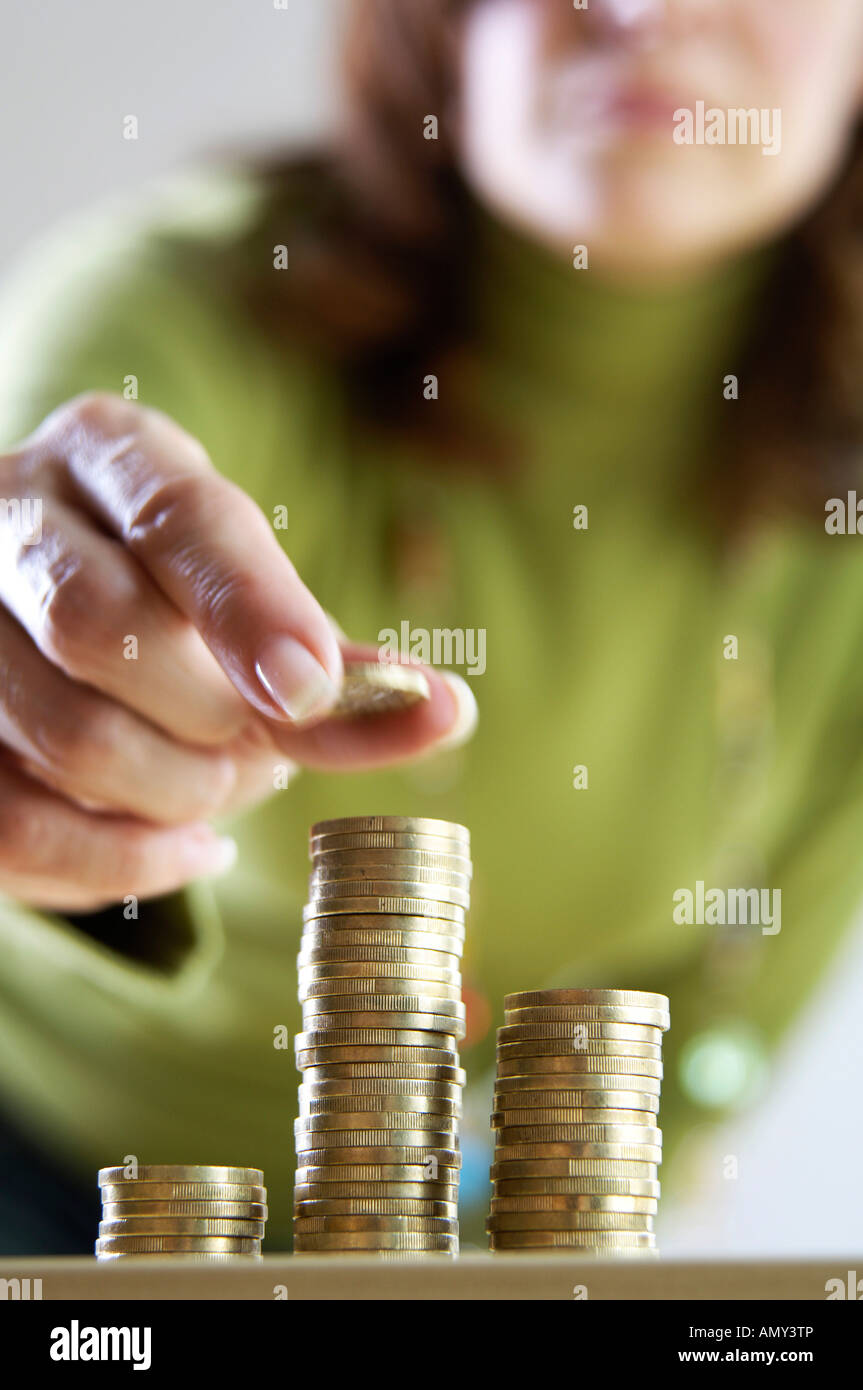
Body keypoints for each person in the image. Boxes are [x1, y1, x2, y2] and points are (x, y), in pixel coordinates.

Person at [1, 0, 863, 1251]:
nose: (640, 9)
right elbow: (51, 499)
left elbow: (714, 1036)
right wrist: (45, 679)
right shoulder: (183, 316)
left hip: (446, 1237)